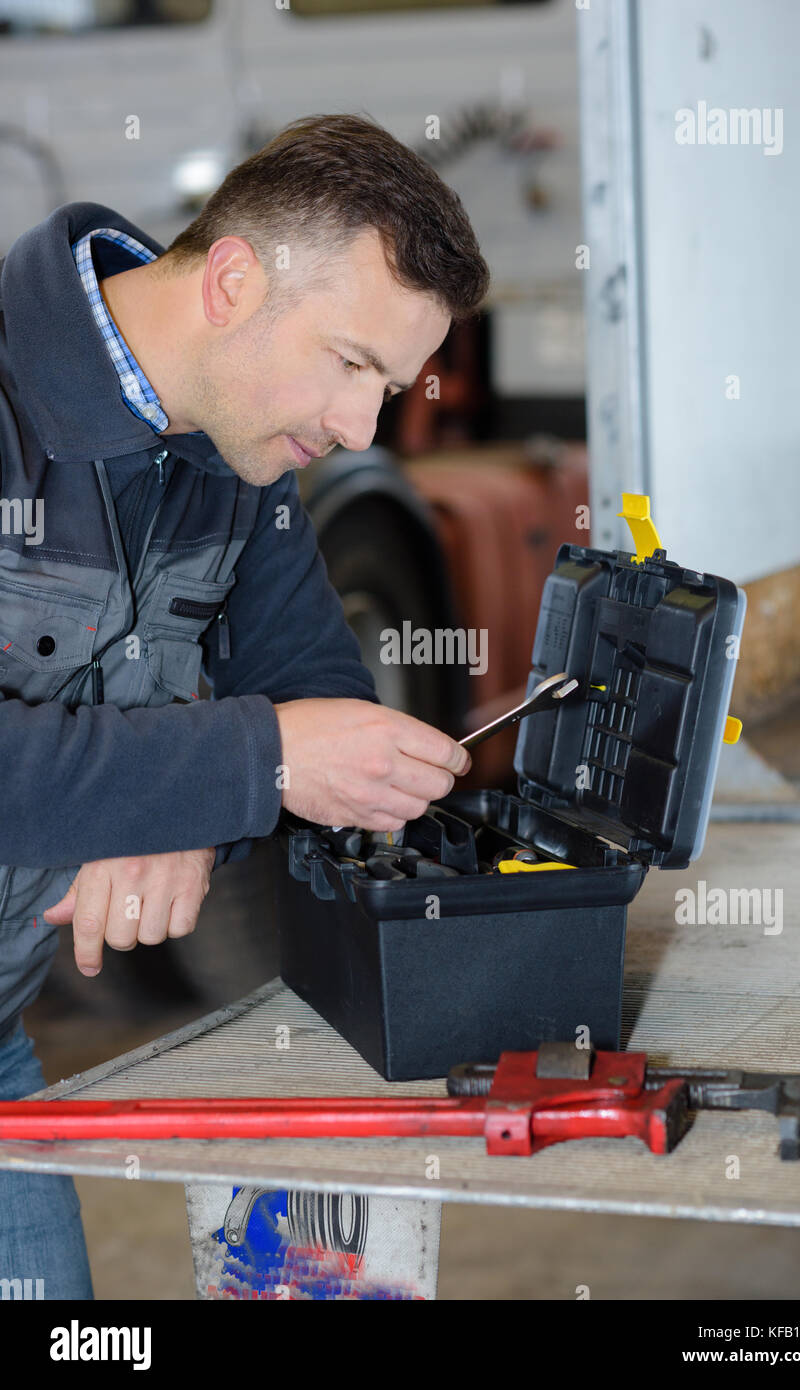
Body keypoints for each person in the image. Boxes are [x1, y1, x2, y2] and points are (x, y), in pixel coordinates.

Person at [0, 111, 488, 1297]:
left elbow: (315, 687)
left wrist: (186, 808)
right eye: (353, 363)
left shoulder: (231, 451)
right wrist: (247, 763)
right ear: (230, 281)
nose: (361, 429)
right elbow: (278, 743)